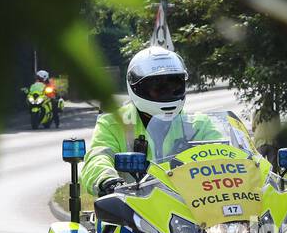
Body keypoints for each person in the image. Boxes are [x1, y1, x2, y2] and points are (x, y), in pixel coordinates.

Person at [80, 45, 246, 196]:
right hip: (129, 210)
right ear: (136, 87)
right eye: (158, 87)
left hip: (189, 209)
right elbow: (98, 158)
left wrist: (244, 170)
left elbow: (223, 154)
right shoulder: (113, 122)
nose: (168, 92)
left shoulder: (198, 124)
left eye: (175, 85)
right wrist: (108, 181)